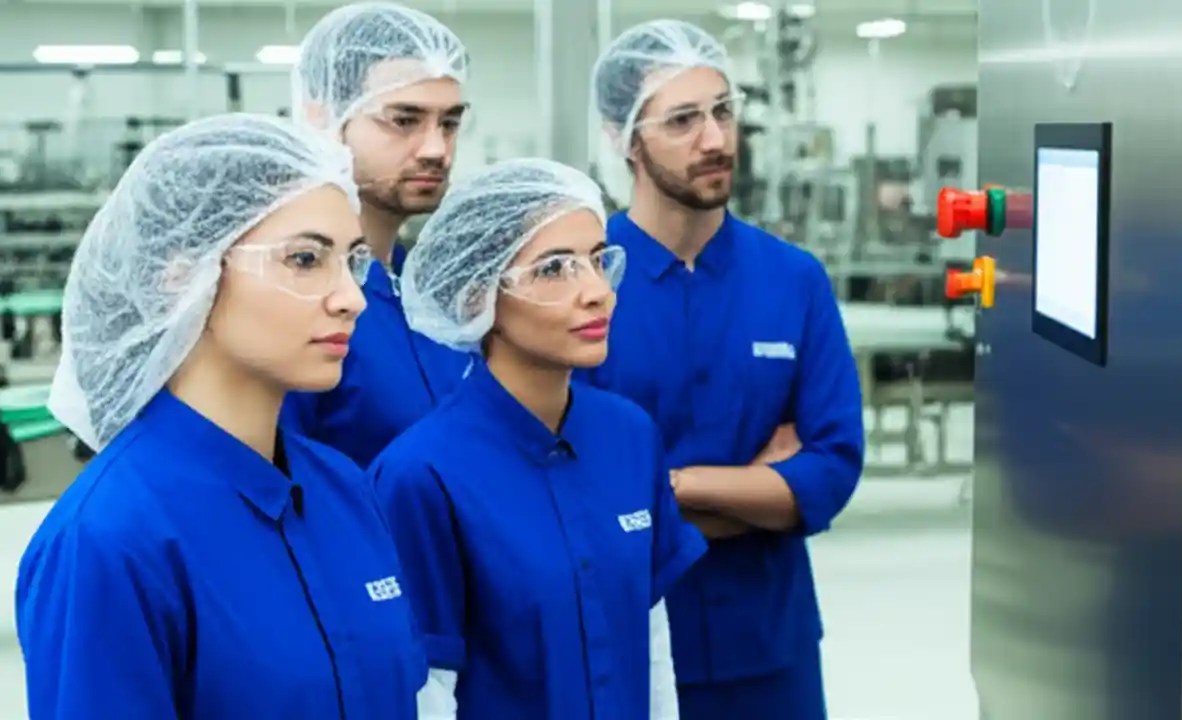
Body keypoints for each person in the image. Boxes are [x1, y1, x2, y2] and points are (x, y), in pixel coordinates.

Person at [17, 114, 424, 719]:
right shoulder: (109, 540)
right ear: (189, 277)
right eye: (306, 259)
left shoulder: (343, 488)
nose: (351, 297)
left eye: (352, 260)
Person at [586, 20, 866, 719]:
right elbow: (576, 488)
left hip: (770, 648)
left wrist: (670, 489)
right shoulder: (584, 282)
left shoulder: (793, 280)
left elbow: (829, 470)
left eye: (722, 111)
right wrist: (755, 491)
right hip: (626, 641)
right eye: (682, 120)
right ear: (627, 138)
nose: (715, 139)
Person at [369, 158, 708, 719]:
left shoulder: (629, 436)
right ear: (477, 295)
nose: (597, 291)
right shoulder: (421, 476)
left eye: (598, 260)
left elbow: (651, 639)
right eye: (555, 269)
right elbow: (426, 692)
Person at [283, 1, 473, 467]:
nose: (436, 149)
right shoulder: (296, 296)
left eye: (449, 123)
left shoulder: (426, 291)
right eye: (403, 120)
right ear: (323, 119)